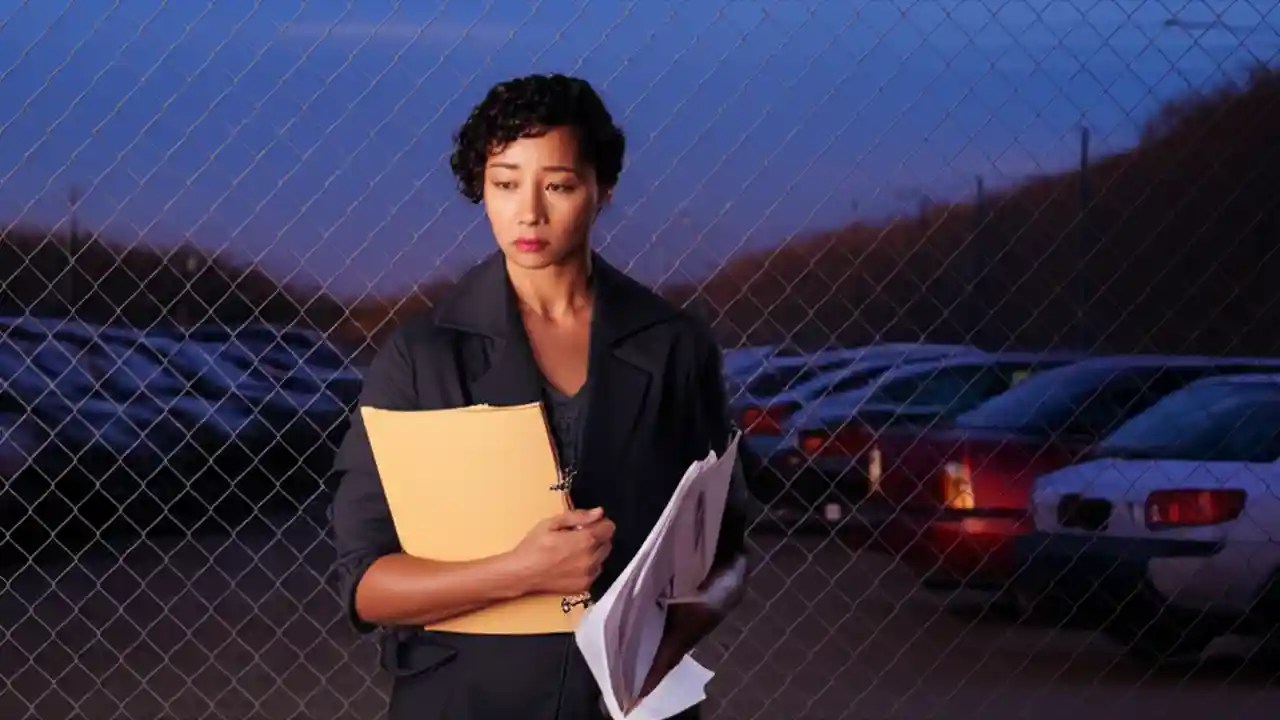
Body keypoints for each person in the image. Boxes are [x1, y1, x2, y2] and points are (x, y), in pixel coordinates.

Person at [330, 72, 750, 720]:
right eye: (504, 184)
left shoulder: (674, 347)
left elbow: (724, 553)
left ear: (601, 190)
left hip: (629, 705)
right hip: (463, 703)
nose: (528, 212)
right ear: (482, 189)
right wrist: (520, 573)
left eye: (557, 185)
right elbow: (365, 586)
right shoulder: (419, 358)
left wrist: (665, 642)